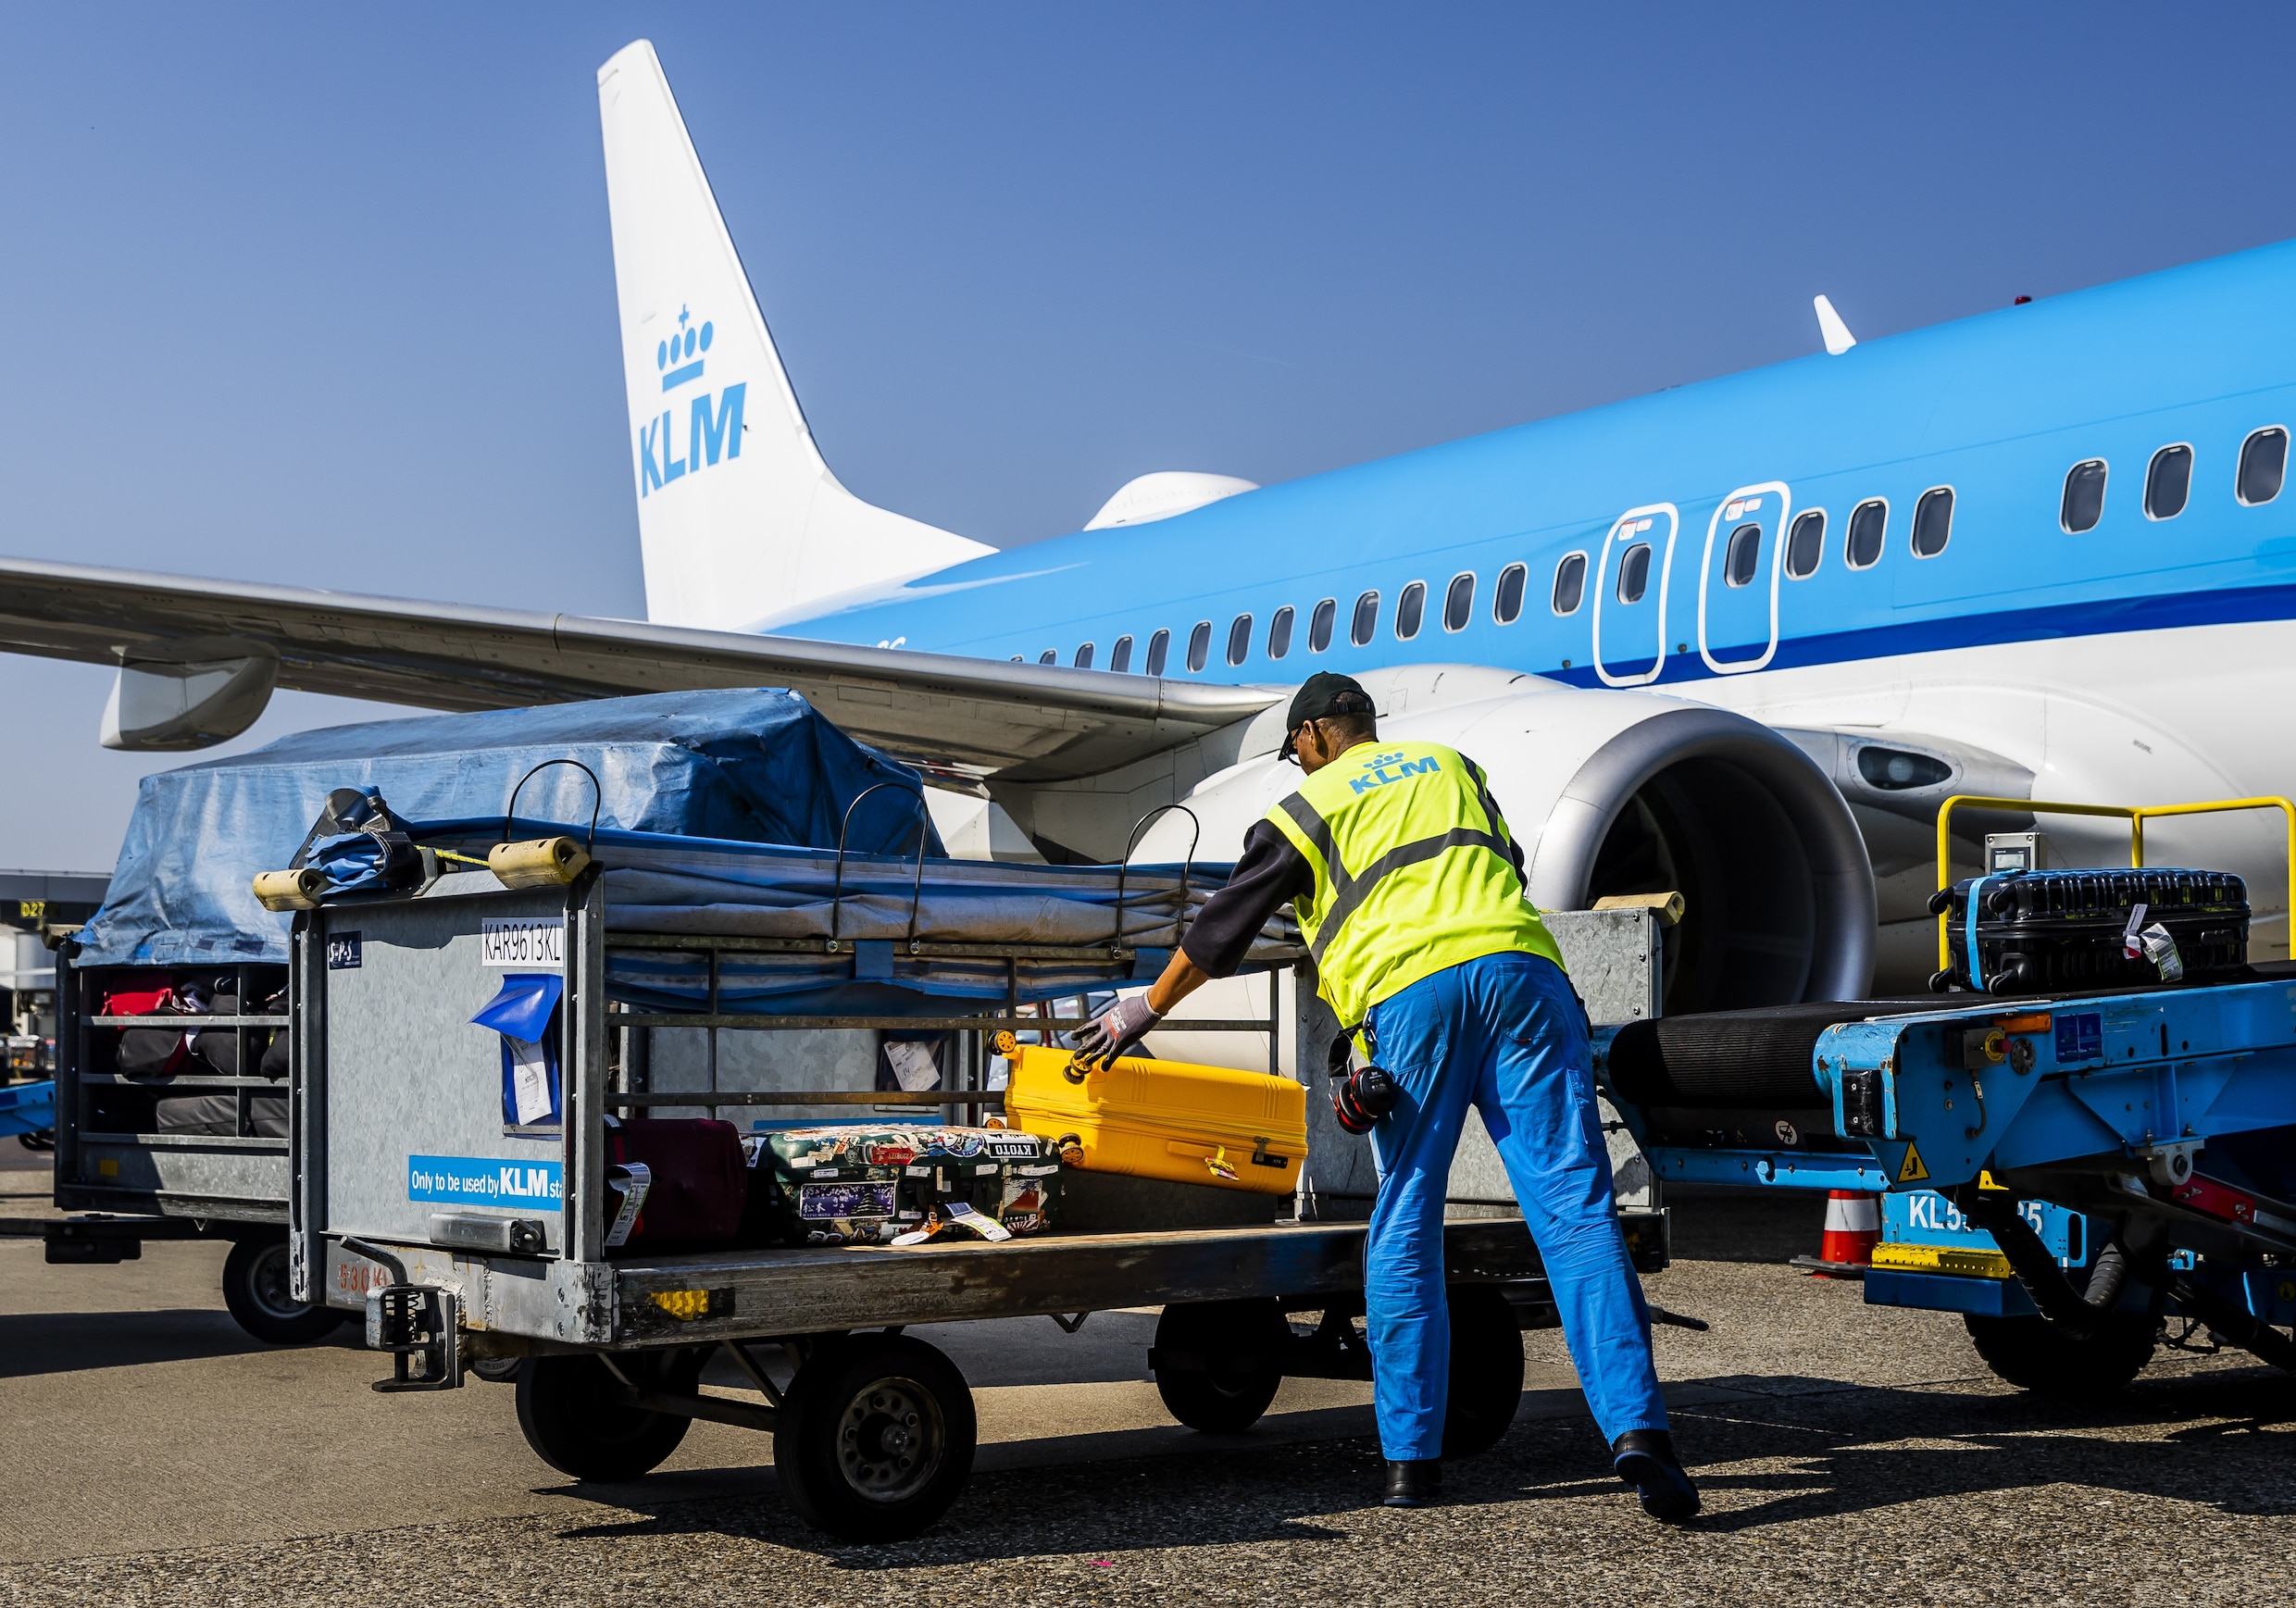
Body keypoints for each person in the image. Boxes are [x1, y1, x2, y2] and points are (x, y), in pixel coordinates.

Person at [1073, 671, 1698, 1522]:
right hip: (1526, 979)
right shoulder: (1452, 766)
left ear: (1314, 736)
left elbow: (1223, 929)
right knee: (1577, 1214)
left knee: (1407, 1215)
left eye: (1296, 751)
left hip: (1415, 999)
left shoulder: (1307, 807)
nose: (1299, 763)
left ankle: (1411, 1462)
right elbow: (1502, 869)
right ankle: (1640, 1433)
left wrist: (1145, 1007)